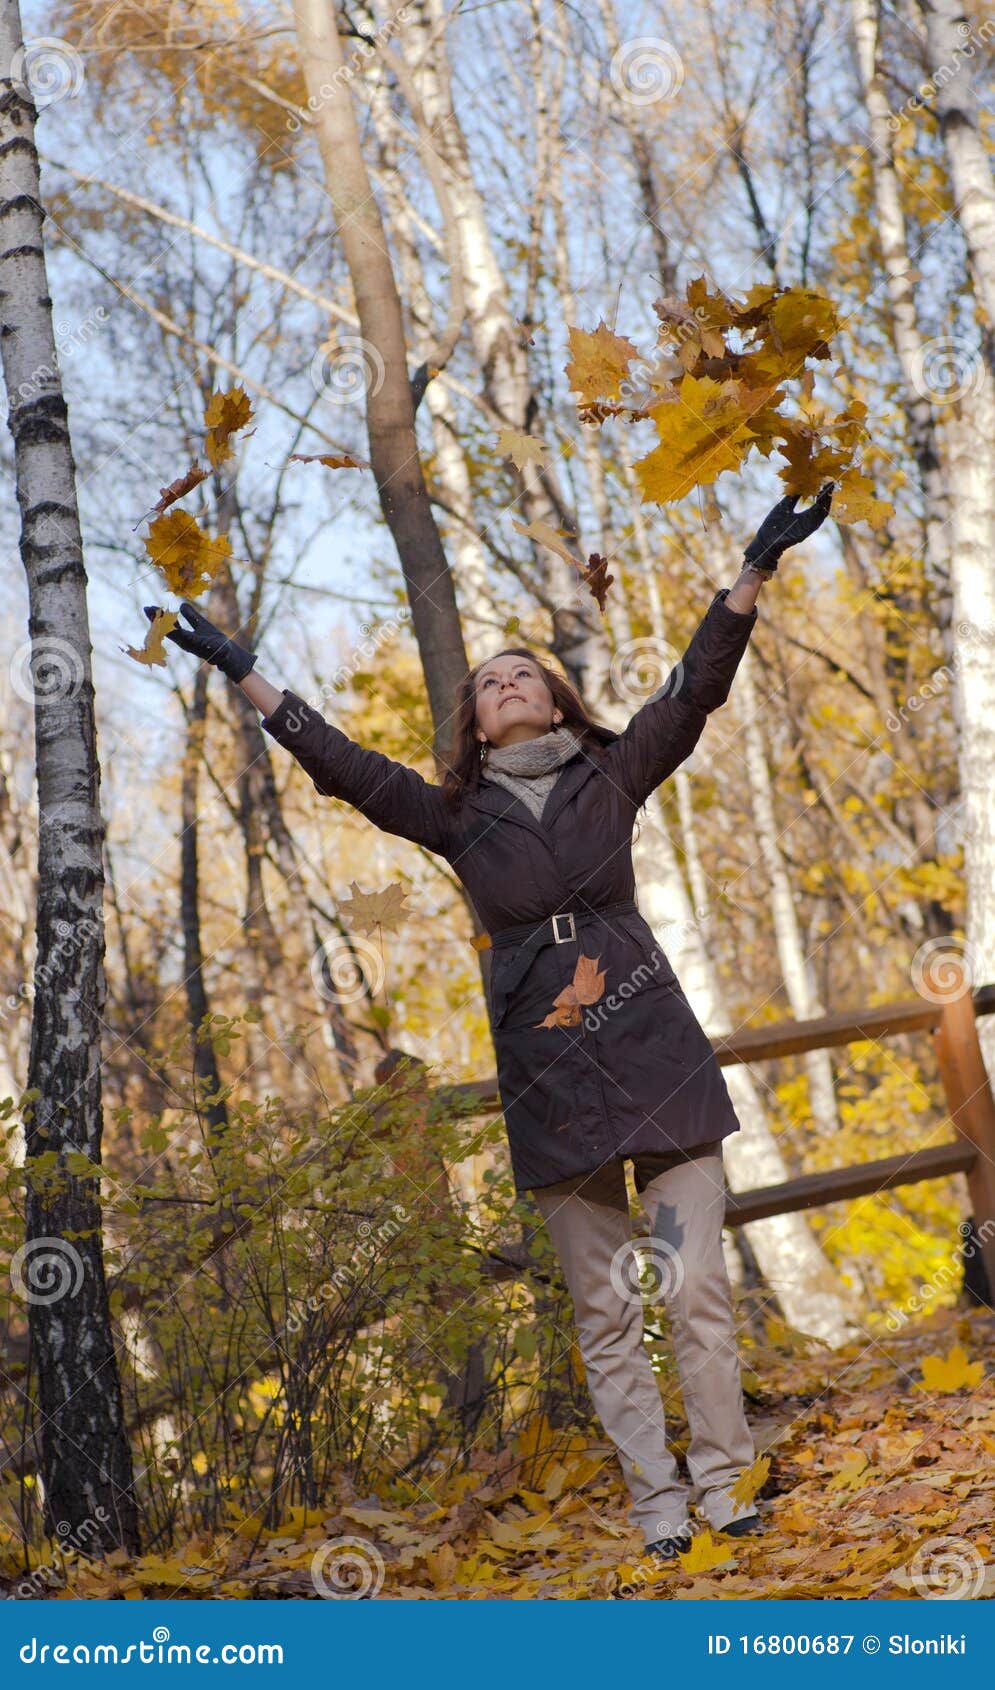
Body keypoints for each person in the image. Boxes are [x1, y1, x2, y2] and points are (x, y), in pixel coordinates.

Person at [144, 485, 833, 1565]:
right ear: (471, 722)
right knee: (605, 1312)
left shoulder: (615, 769)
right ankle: (656, 1501)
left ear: (554, 703)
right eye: (485, 683)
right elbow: (344, 767)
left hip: (650, 1042)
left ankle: (725, 1483)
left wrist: (751, 570)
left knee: (695, 1288)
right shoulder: (453, 818)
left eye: (522, 673)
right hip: (548, 1070)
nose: (504, 682)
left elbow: (693, 690)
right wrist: (242, 669)